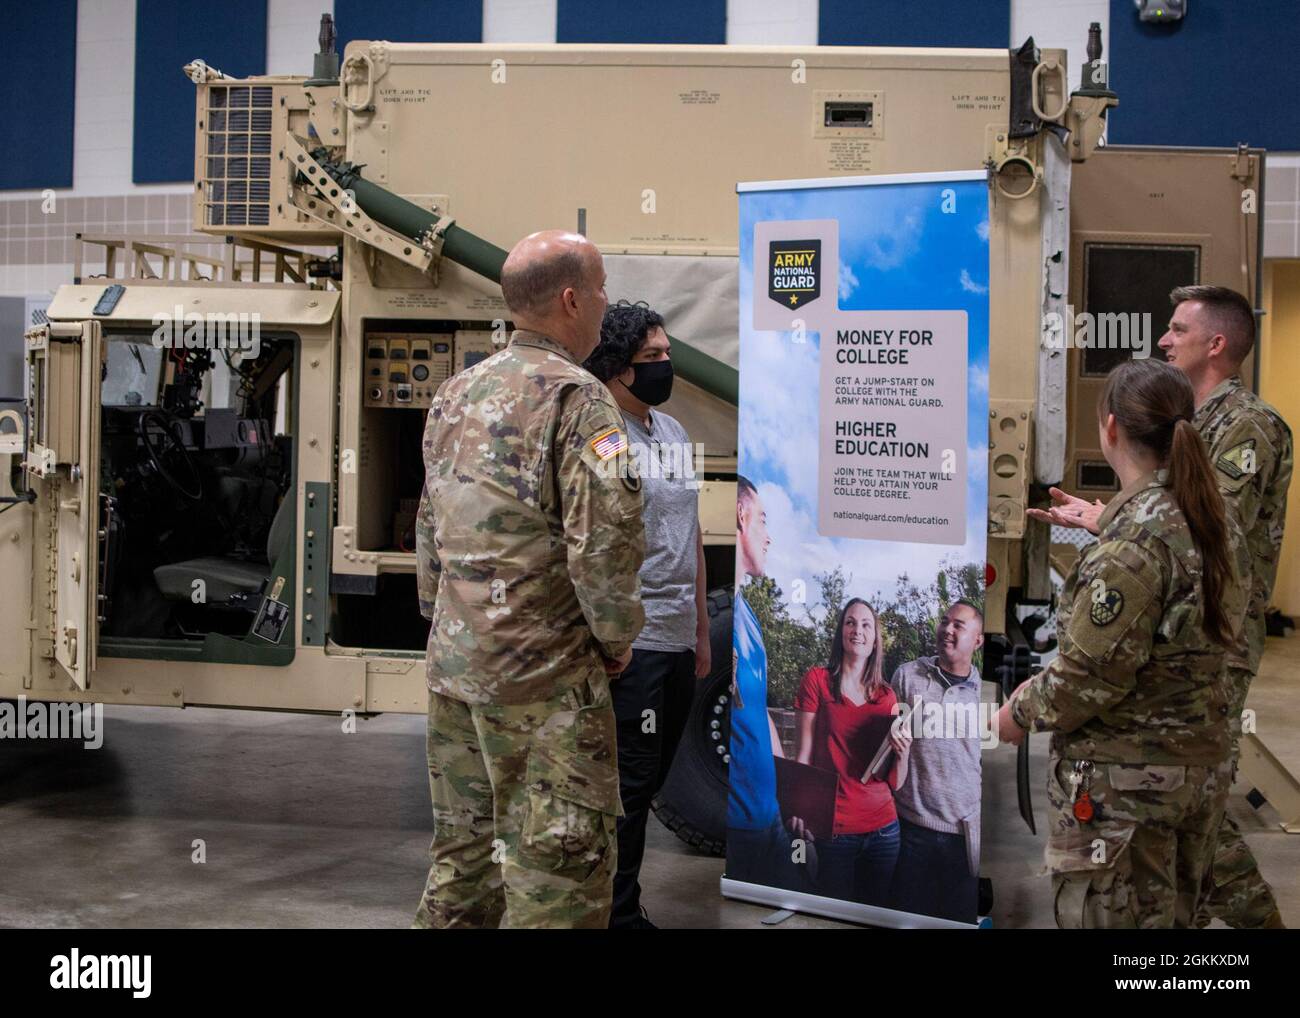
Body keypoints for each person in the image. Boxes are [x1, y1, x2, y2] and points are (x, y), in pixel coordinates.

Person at [1030, 285, 1291, 929]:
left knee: (1184, 795)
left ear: (1216, 343)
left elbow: (1200, 530)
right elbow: (1174, 524)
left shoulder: (1247, 424)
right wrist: (1107, 520)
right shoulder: (1193, 422)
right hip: (1176, 628)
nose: (1165, 340)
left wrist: (1120, 523)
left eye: (1177, 330)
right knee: (1179, 796)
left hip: (1208, 641)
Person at [412, 230, 646, 929]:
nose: (607, 305)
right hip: (544, 688)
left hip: (457, 676)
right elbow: (603, 545)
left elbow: (430, 534)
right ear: (571, 300)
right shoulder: (580, 402)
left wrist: (451, 623)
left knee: (463, 865)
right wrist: (615, 639)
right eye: (602, 290)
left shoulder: (453, 395)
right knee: (557, 878)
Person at [1001, 358, 1244, 929]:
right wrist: (1109, 521)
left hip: (1127, 789)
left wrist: (1018, 712)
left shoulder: (1130, 546)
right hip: (1198, 773)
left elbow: (1087, 679)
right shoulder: (1213, 519)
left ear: (1110, 428)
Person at [582, 299, 710, 929]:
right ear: (617, 367)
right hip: (634, 644)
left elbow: (690, 535)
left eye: (667, 353)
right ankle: (618, 913)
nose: (666, 365)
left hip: (678, 639)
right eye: (651, 357)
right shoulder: (605, 439)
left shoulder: (676, 433)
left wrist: (701, 634)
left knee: (651, 780)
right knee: (629, 787)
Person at [792, 598, 909, 905]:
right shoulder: (816, 680)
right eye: (851, 622)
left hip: (884, 830)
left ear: (875, 640)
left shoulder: (887, 696)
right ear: (841, 632)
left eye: (866, 624)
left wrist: (904, 752)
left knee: (875, 915)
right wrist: (798, 806)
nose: (858, 630)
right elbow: (802, 755)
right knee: (833, 915)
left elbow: (895, 782)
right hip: (834, 831)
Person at [726, 476, 802, 890]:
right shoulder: (719, 624)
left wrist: (788, 796)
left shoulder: (751, 621)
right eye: (762, 522)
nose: (769, 538)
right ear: (741, 516)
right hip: (742, 826)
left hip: (770, 816)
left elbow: (759, 713)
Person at [888, 601, 984, 923]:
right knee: (905, 919)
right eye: (945, 622)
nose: (948, 629)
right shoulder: (908, 677)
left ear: (978, 640)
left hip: (963, 834)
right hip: (911, 828)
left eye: (959, 625)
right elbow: (889, 745)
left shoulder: (983, 692)